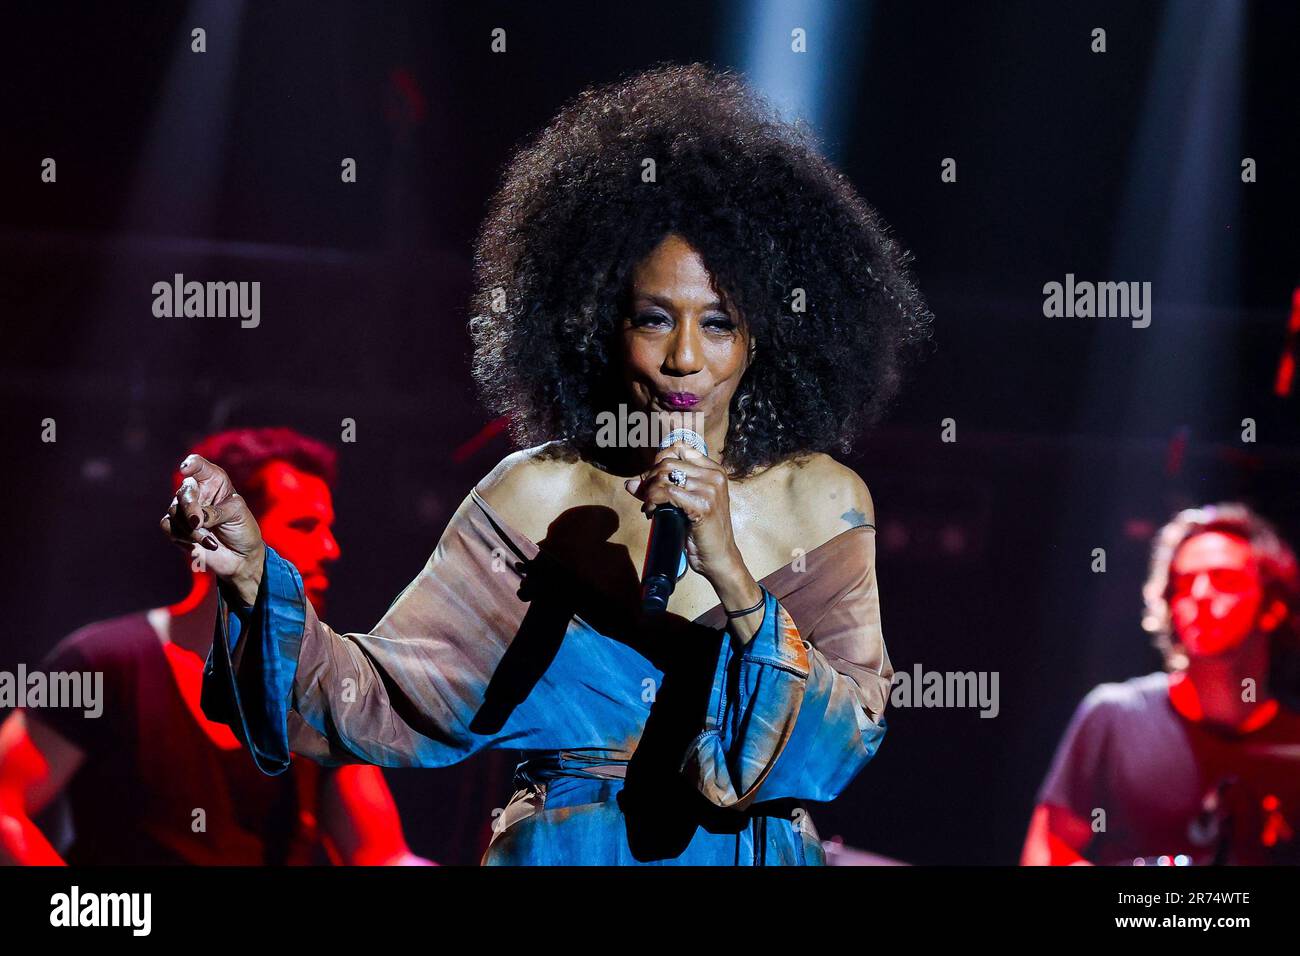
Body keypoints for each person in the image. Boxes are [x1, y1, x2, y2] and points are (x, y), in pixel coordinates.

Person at [166, 64, 932, 865]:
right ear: (602, 324)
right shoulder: (536, 496)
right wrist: (255, 580)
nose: (682, 358)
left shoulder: (823, 500)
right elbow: (380, 702)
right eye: (653, 319)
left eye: (717, 324)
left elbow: (846, 741)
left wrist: (736, 582)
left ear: (759, 339)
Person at [0, 427, 430, 865]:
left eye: (329, 528)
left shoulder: (322, 684)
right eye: (304, 526)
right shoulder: (104, 662)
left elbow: (383, 856)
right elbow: (4, 808)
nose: (331, 548)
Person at [1023, 503, 1300, 865]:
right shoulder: (1115, 716)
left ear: (1273, 605)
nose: (1200, 595)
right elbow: (1046, 852)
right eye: (1184, 584)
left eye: (1225, 580)